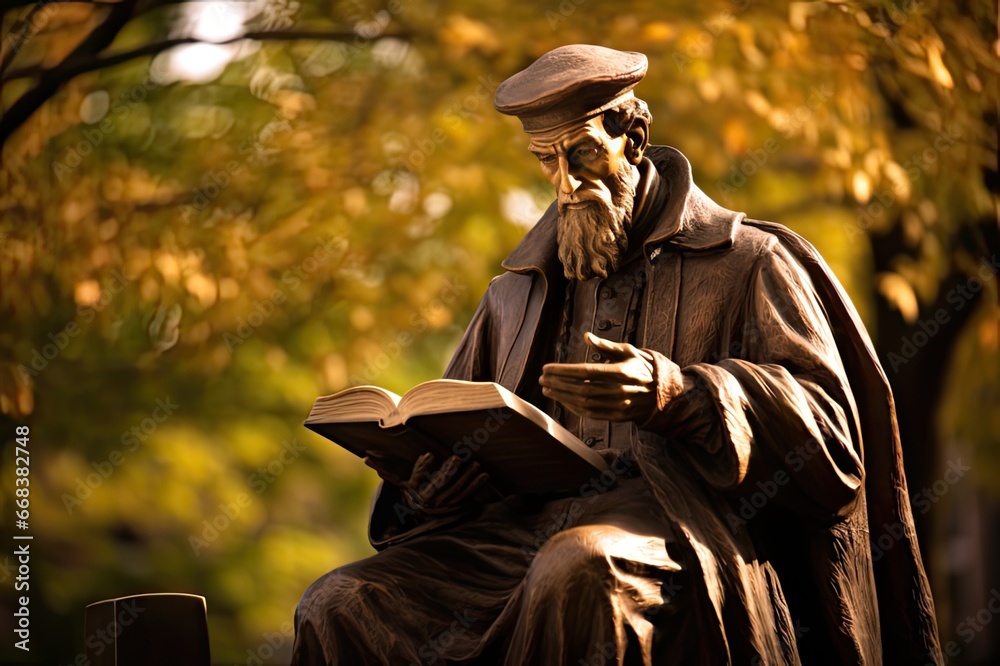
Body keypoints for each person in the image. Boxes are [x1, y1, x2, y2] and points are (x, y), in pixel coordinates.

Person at [292, 44, 942, 665]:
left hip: (683, 531)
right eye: (547, 162)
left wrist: (680, 396)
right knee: (342, 601)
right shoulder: (513, 296)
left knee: (579, 569)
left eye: (582, 154)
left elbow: (833, 444)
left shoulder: (750, 262)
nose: (567, 183)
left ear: (632, 138)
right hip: (513, 537)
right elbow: (454, 432)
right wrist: (426, 485)